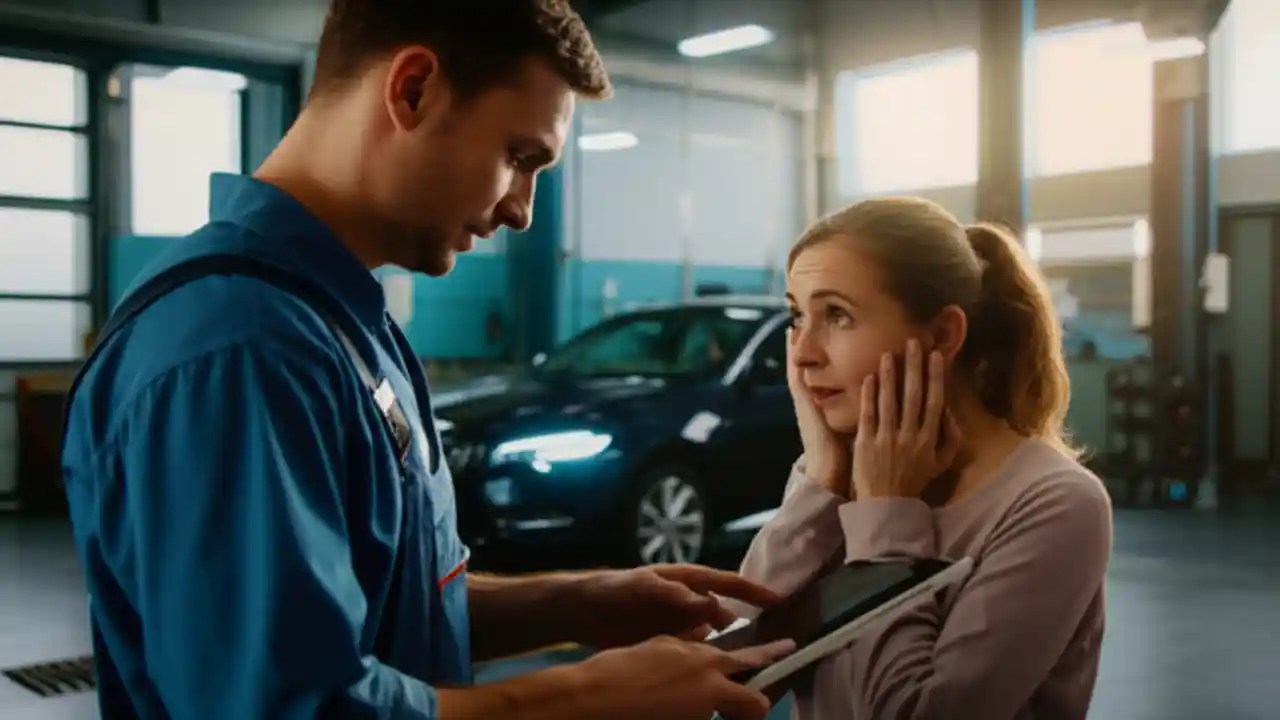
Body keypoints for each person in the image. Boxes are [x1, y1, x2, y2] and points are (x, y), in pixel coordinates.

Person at [60, 2, 794, 719]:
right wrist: (586, 696)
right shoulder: (240, 350)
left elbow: (376, 605)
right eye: (518, 157)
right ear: (413, 89)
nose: (521, 211)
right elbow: (294, 703)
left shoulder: (339, 320)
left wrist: (578, 602)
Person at [731, 197, 1114, 719]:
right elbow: (728, 672)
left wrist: (887, 513)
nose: (803, 353)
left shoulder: (1055, 503)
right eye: (798, 316)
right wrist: (819, 486)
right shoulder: (840, 478)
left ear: (941, 335)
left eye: (838, 315)